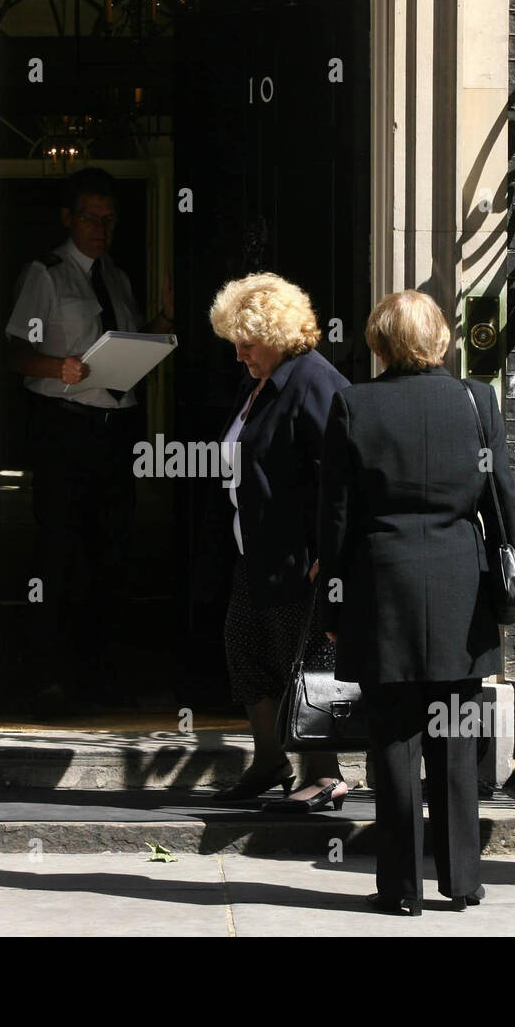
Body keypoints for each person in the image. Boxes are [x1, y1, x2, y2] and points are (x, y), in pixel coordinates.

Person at [319, 290, 515, 914]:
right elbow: (503, 496)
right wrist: (507, 550)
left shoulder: (353, 404)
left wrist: (332, 600)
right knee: (458, 739)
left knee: (393, 741)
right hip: (461, 582)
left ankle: (400, 888)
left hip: (382, 585)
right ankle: (462, 880)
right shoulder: (475, 399)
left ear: (378, 341)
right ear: (440, 336)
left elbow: (336, 516)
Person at [4, 167, 173, 710]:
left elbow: (122, 345)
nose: (101, 228)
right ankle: (46, 672)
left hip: (113, 429)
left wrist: (162, 323)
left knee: (112, 550)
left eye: (109, 220)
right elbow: (14, 354)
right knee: (58, 551)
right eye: (91, 218)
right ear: (68, 219)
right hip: (64, 427)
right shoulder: (45, 274)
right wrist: (60, 366)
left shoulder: (118, 277)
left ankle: (101, 670)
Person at [206, 272, 351, 810]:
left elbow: (340, 475)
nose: (240, 354)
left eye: (247, 342)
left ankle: (326, 770)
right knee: (244, 647)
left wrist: (325, 553)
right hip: (258, 548)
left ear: (277, 332)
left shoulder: (317, 382)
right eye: (235, 344)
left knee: (304, 660)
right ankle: (269, 759)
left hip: (300, 556)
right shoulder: (258, 382)